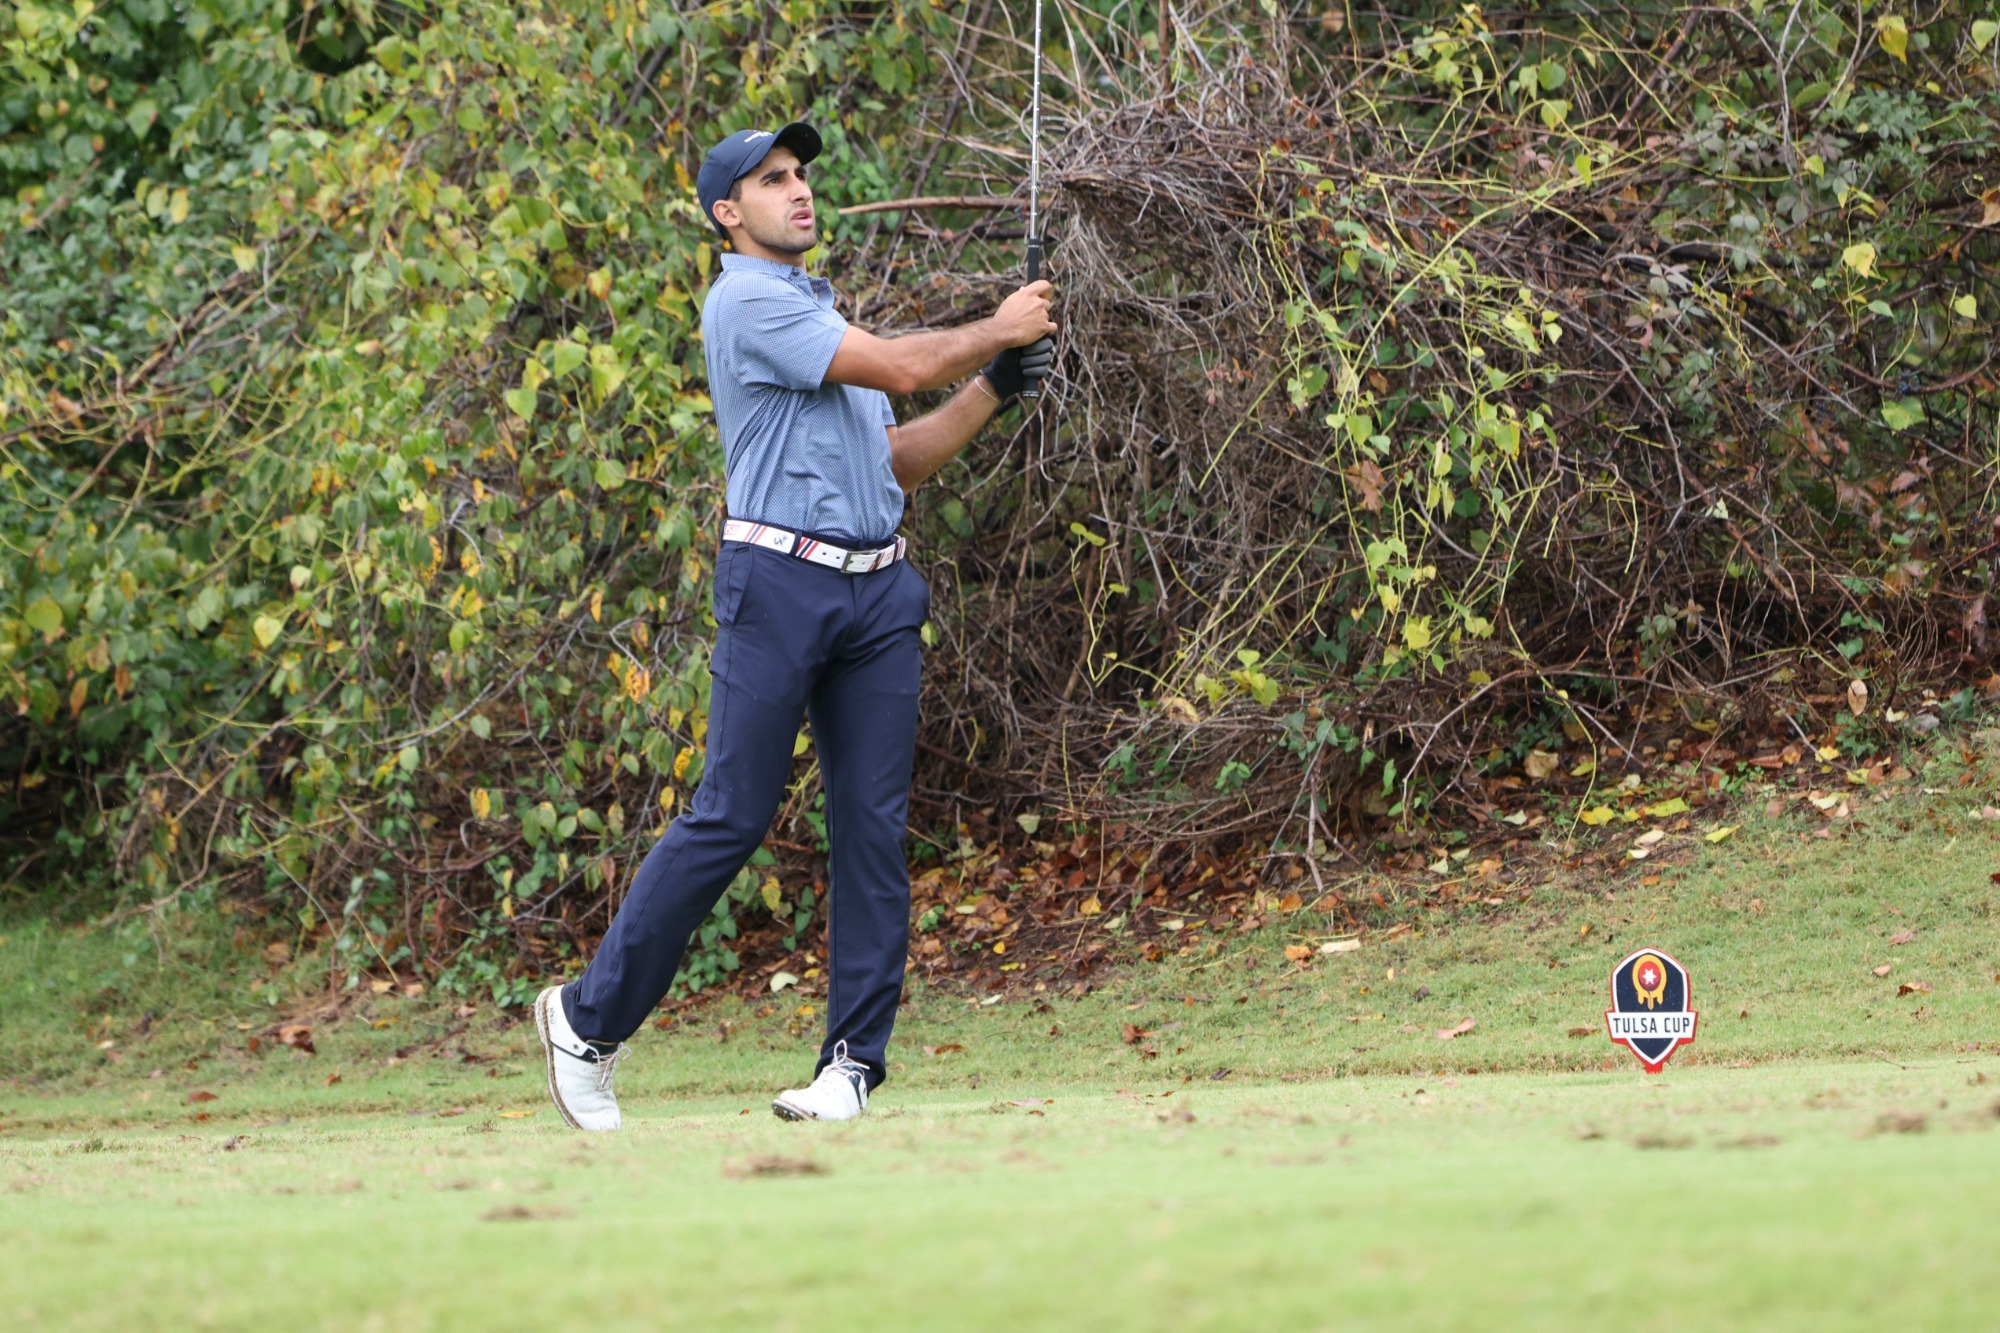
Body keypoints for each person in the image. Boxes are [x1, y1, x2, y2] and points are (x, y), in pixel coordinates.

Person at [533, 122, 1056, 1130]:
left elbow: (895, 458)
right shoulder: (746, 303)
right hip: (776, 584)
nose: (798, 190)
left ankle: (849, 1066)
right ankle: (586, 1023)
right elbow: (905, 369)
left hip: (874, 594)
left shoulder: (817, 307)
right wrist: (996, 331)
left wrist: (993, 389)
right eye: (773, 180)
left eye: (802, 174)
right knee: (731, 811)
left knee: (870, 829)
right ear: (729, 214)